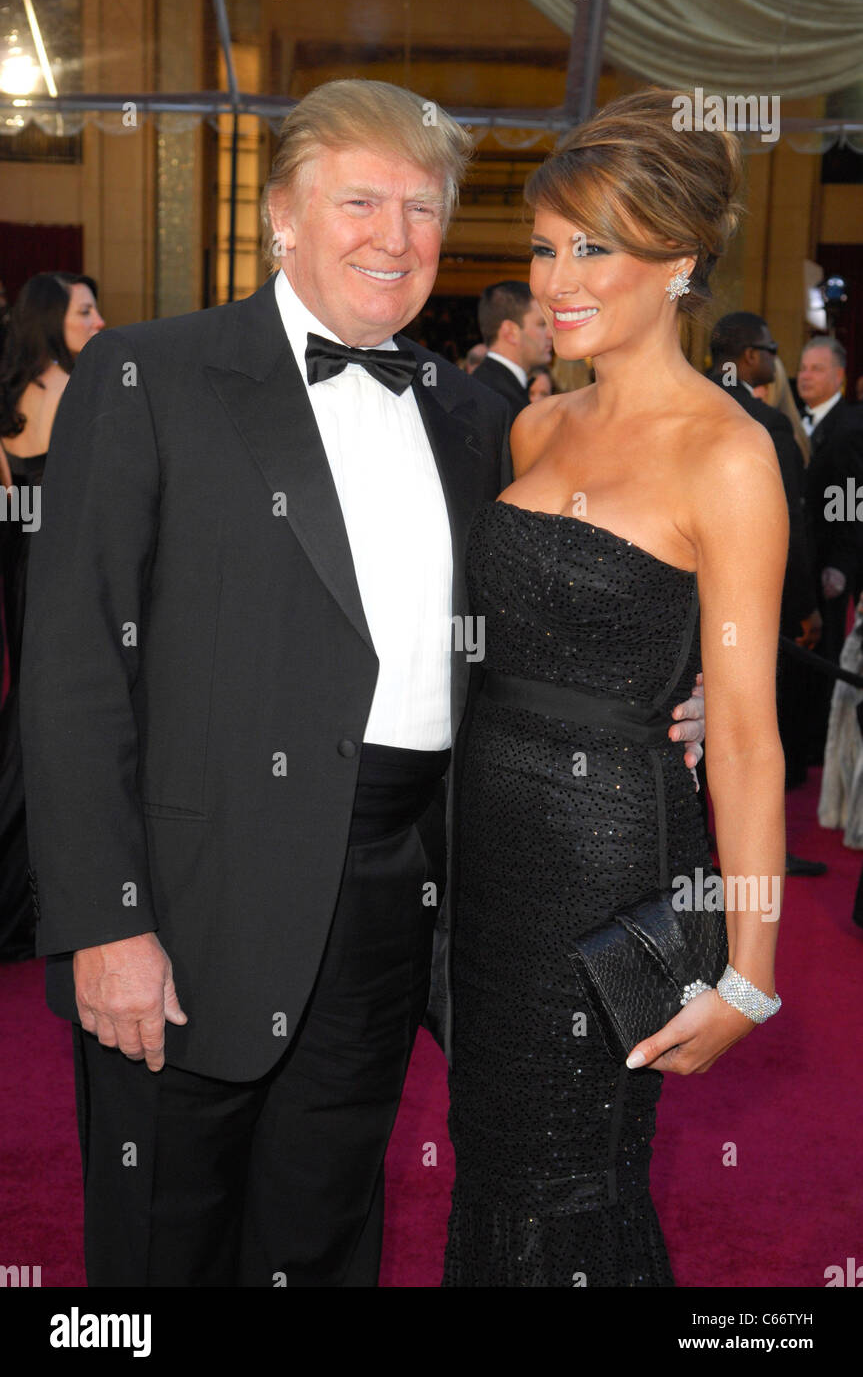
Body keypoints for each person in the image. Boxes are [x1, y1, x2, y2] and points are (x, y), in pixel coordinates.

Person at [19, 78, 706, 1290]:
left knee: (325, 1226)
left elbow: (516, 625)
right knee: (163, 1243)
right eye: (359, 202)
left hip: (396, 894)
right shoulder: (148, 375)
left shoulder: (460, 410)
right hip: (190, 900)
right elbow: (73, 672)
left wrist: (653, 691)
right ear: (281, 216)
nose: (394, 238)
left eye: (423, 209)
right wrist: (106, 919)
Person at [443, 88, 786, 1288]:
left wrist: (749, 968)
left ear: (678, 260)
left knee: (567, 1186)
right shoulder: (536, 428)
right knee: (490, 1170)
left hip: (605, 877)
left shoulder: (728, 456)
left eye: (594, 246)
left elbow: (742, 738)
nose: (556, 279)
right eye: (544, 247)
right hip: (480, 859)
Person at [0, 272, 104, 963]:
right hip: (67, 578)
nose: (99, 321)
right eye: (85, 312)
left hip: (20, 575)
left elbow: (9, 511)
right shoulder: (79, 393)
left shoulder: (8, 400)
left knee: (26, 719)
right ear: (52, 321)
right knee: (63, 731)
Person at [707, 312, 824, 838]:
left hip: (683, 598)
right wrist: (802, 605)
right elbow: (787, 526)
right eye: (773, 348)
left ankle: (695, 846)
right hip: (751, 604)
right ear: (751, 356)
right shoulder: (765, 422)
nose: (781, 360)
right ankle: (755, 851)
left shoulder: (685, 406)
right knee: (754, 729)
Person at [797, 336, 863, 761]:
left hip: (827, 568)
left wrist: (842, 565)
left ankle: (820, 745)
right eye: (802, 367)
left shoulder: (851, 426)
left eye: (817, 368)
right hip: (799, 565)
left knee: (826, 657)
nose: (805, 375)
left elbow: (853, 499)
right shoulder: (792, 419)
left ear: (839, 376)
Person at [471, 280, 552, 415]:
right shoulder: (496, 400)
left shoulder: (489, 388)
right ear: (510, 332)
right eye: (541, 324)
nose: (550, 334)